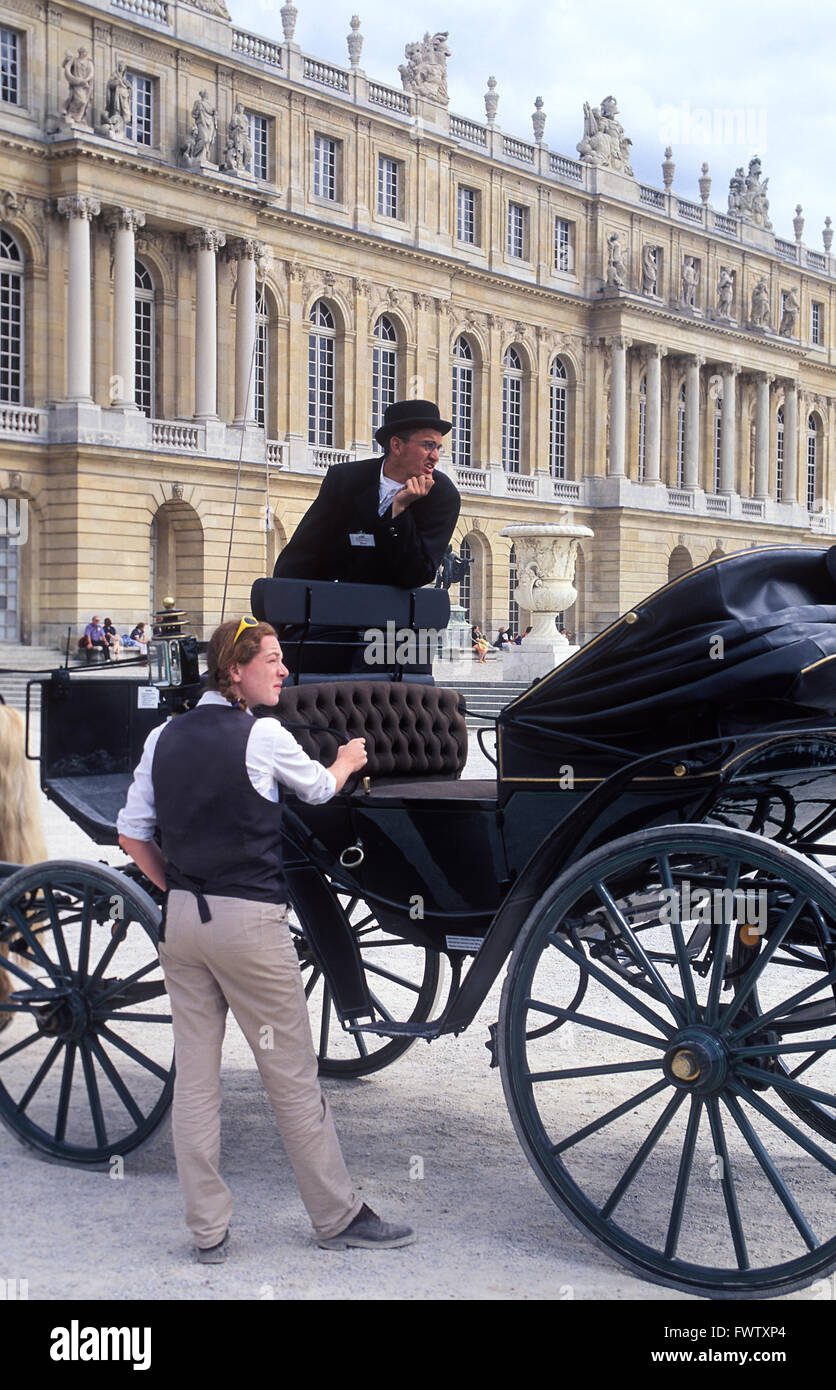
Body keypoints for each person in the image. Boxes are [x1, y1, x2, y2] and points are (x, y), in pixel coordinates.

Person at [116, 617, 416, 1262]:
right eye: (273, 661)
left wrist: (177, 889)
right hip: (248, 926)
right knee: (290, 1074)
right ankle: (336, 1217)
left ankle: (208, 1231)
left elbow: (131, 834)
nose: (283, 672)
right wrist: (348, 760)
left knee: (196, 1077)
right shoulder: (263, 734)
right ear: (234, 671)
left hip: (184, 924)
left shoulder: (163, 736)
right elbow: (316, 790)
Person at [273, 400, 460, 590]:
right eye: (428, 445)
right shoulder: (345, 480)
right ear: (396, 445)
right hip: (334, 604)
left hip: (395, 614)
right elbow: (301, 555)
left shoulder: (442, 495)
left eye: (438, 447)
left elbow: (417, 574)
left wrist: (399, 511)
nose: (435, 456)